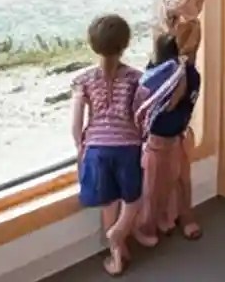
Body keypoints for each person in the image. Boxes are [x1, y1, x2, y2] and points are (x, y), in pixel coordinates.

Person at [135, 0, 206, 245]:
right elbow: (160, 69)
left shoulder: (193, 25)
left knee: (181, 167)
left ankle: (183, 213)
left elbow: (189, 63)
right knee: (157, 171)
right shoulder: (162, 29)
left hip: (183, 92)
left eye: (201, 0)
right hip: (166, 94)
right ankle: (153, 219)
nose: (199, 7)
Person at [71, 14, 144, 276]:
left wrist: (80, 144)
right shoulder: (137, 78)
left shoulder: (83, 80)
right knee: (132, 197)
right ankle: (120, 232)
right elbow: (141, 114)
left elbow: (77, 117)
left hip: (97, 149)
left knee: (108, 200)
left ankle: (116, 254)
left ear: (92, 44)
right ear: (125, 45)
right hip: (127, 146)